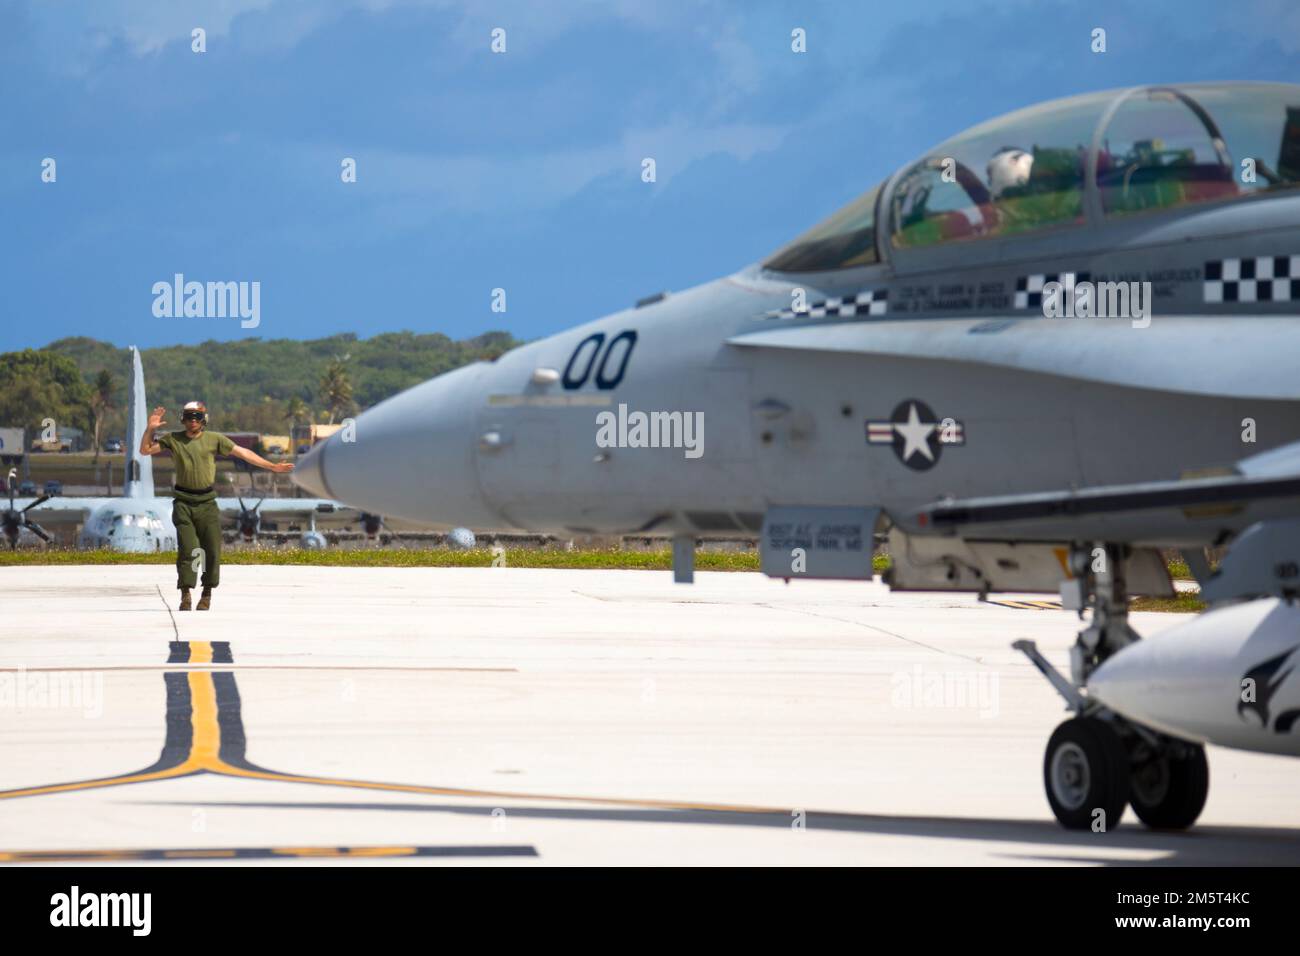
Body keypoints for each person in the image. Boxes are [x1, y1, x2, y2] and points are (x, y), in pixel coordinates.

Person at [139, 401, 293, 610]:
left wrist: (272, 466)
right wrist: (150, 428)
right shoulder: (173, 439)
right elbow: (145, 450)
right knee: (189, 549)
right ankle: (185, 593)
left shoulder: (214, 439)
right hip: (184, 502)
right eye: (188, 416)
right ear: (182, 419)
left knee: (211, 550)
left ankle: (207, 593)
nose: (192, 420)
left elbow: (243, 453)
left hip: (207, 503)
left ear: (204, 419)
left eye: (196, 416)